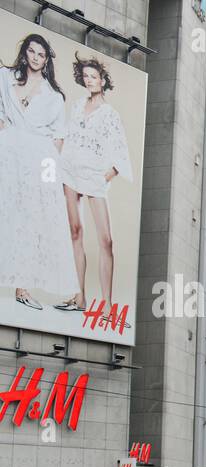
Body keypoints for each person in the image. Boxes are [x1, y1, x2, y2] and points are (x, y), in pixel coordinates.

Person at [0, 34, 79, 309]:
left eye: (40, 54)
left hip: (37, 159)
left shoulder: (54, 97)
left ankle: (23, 287)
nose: (35, 57)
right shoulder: (5, 77)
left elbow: (58, 139)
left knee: (33, 219)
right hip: (8, 153)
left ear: (46, 60)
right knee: (6, 212)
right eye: (31, 52)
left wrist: (49, 177)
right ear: (25, 53)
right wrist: (5, 131)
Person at [55, 54, 133, 314]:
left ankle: (109, 307)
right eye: (86, 76)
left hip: (94, 176)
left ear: (103, 80)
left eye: (94, 76)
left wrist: (106, 175)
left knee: (106, 241)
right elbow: (64, 138)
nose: (89, 80)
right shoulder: (77, 106)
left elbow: (121, 151)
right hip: (70, 172)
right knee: (75, 233)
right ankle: (79, 297)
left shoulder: (110, 114)